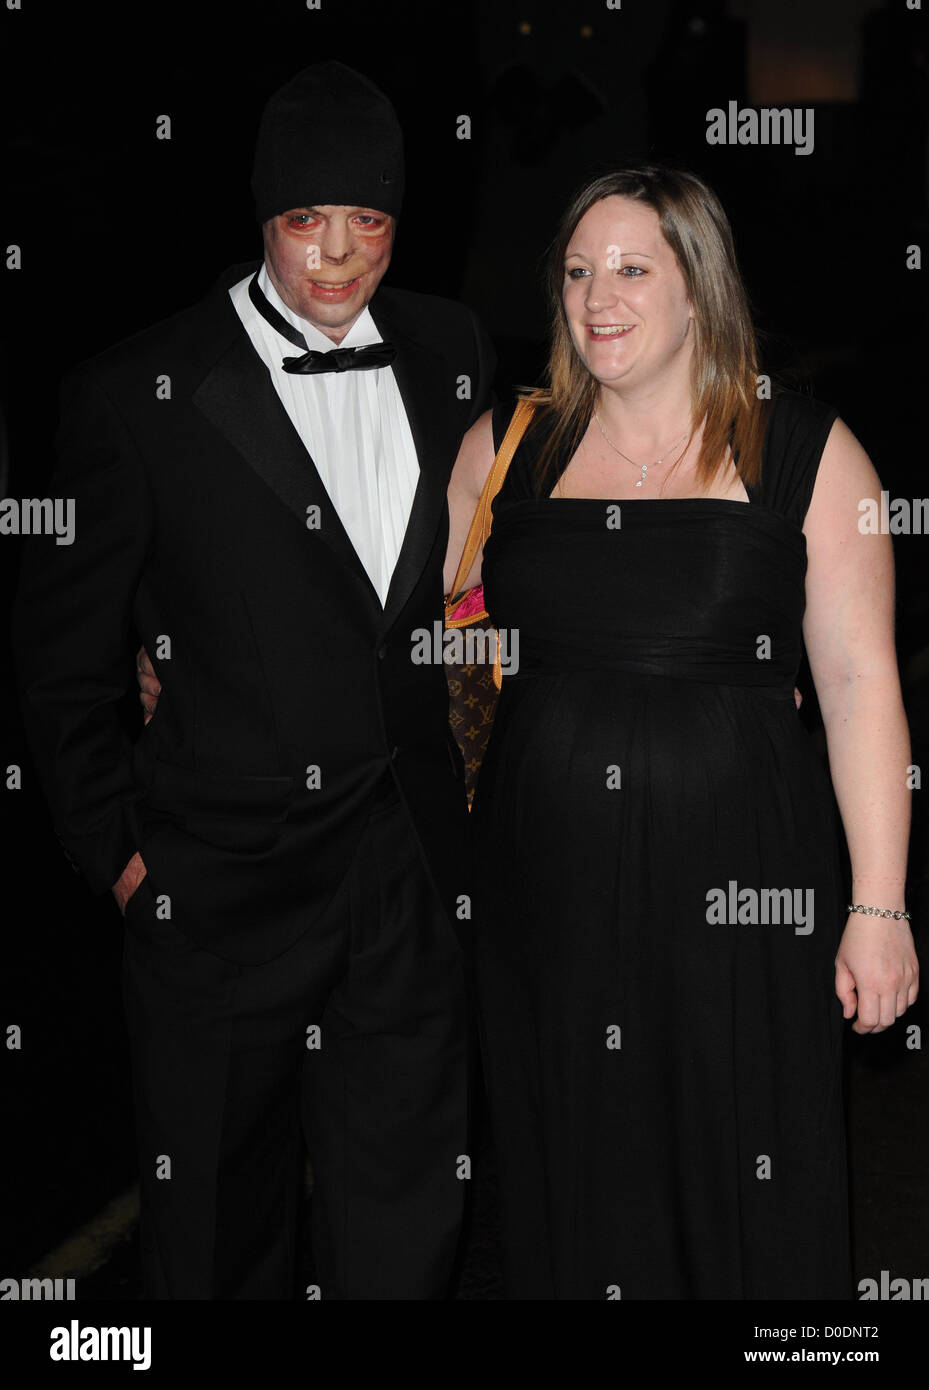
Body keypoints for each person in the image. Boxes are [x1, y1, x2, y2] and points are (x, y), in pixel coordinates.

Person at [13, 61, 496, 1300]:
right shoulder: (135, 394)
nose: (336, 256)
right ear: (260, 215)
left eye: (368, 223)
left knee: (407, 1211)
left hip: (409, 872)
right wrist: (118, 852)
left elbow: (473, 584)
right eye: (304, 221)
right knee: (215, 1235)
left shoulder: (450, 349)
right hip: (218, 886)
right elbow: (62, 657)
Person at [446, 165, 918, 1299]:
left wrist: (878, 906)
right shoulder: (510, 447)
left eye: (629, 269)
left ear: (699, 287)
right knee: (574, 1166)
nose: (594, 297)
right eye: (574, 272)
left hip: (740, 892)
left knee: (741, 1161)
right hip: (547, 895)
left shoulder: (803, 450)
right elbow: (419, 633)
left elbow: (857, 683)